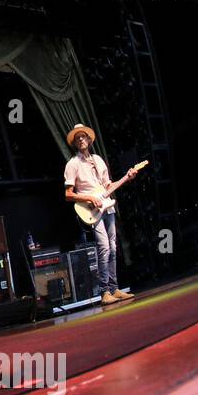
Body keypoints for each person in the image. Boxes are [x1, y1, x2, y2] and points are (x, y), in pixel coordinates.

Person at [63, 123, 138, 305]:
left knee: (113, 247)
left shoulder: (98, 160)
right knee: (103, 246)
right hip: (92, 210)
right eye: (78, 137)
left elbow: (108, 186)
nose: (81, 139)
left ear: (89, 140)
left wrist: (127, 177)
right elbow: (68, 194)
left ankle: (114, 288)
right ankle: (104, 291)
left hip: (107, 207)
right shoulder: (73, 164)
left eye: (84, 136)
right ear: (75, 142)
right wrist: (90, 198)